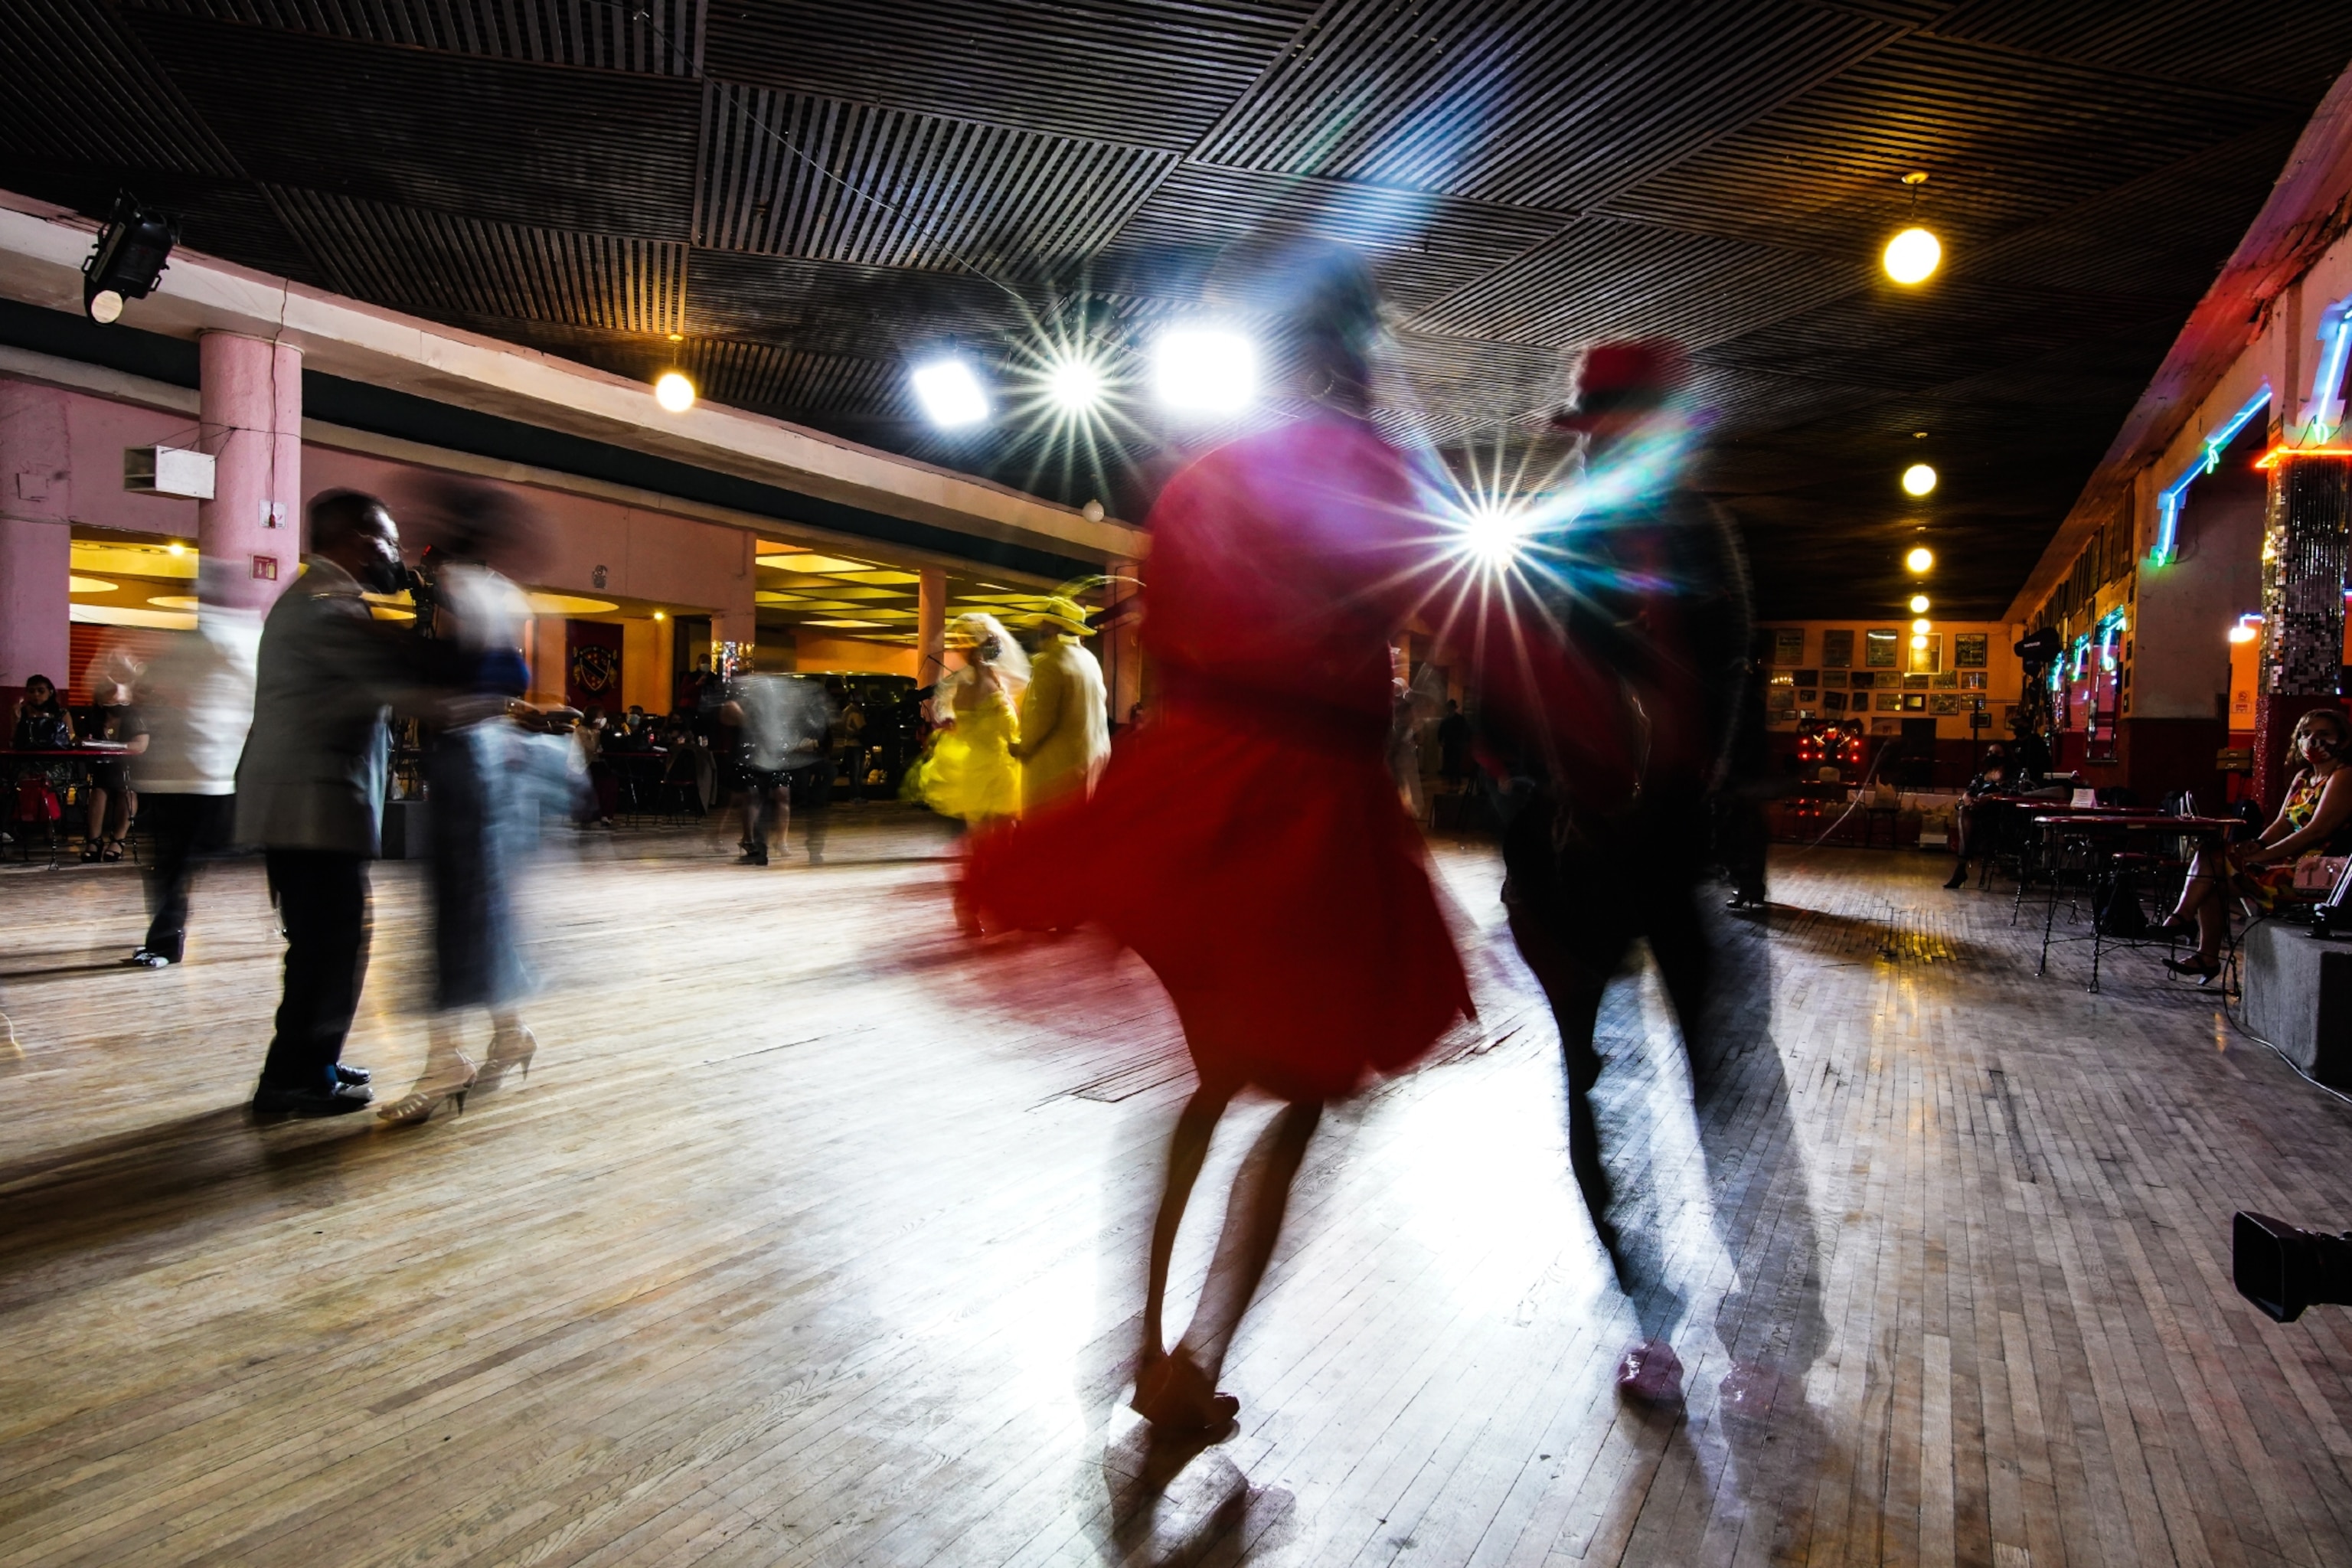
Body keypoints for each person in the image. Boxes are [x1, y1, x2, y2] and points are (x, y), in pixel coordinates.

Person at [968, 245, 1473, 1437]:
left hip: (1202, 791)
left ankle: (1146, 1340)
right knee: (1307, 1094)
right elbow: (1450, 620)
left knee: (1205, 1085)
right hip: (1316, 810)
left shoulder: (1204, 481)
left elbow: (1175, 645)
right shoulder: (1376, 474)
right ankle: (1195, 1356)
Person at [1478, 338, 1756, 1406]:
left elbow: (1723, 686)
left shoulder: (1684, 537)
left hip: (1652, 849)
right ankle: (1653, 1316)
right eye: (1594, 434)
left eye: (1614, 430)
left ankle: (1724, 1308)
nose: (1600, 450)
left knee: (1706, 1081)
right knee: (1611, 1087)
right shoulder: (1564, 543)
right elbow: (1500, 708)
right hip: (1588, 856)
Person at [235, 489, 453, 1117]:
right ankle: (296, 1078)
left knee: (324, 943)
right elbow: (404, 687)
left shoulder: (318, 599)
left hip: (309, 804)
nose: (397, 555)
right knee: (328, 945)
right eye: (390, 541)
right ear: (360, 540)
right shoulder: (326, 609)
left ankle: (310, 1061)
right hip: (312, 805)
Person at [381, 485, 544, 1125]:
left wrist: (396, 666)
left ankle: (446, 1057)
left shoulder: (461, 592)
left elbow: (461, 690)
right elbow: (507, 686)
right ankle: (507, 1032)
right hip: (486, 764)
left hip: (468, 766)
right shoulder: (497, 593)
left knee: (456, 914)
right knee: (478, 908)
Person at [2155, 707, 2352, 981]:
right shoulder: (2303, 777)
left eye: (2323, 734)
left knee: (2212, 871)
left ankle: (2194, 938)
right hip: (2287, 859)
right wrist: (2258, 844)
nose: (2312, 740)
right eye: (2306, 734)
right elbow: (2283, 823)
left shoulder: (2344, 776)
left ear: (2343, 740)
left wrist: (2265, 855)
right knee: (2210, 859)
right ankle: (2193, 934)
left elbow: (2316, 832)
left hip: (2317, 868)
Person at [125, 583, 260, 966]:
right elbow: (148, 684)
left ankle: (166, 943)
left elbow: (249, 699)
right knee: (171, 863)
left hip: (205, 777)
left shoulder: (234, 641)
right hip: (183, 775)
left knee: (175, 862)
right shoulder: (203, 641)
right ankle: (163, 940)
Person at [906, 613, 1026, 826]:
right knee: (1001, 825)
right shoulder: (992, 687)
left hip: (970, 765)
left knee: (977, 825)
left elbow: (964, 725)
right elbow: (1008, 728)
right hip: (996, 767)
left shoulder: (962, 686)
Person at [1009, 592, 1110, 814]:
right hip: (1087, 764)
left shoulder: (1050, 663)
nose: (1040, 628)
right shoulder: (1090, 660)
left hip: (1054, 771)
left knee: (1045, 830)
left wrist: (1020, 747)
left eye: (1044, 623)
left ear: (1054, 628)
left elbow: (1040, 718)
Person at [723, 667, 834, 865]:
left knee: (778, 797)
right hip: (764, 756)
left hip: (782, 756)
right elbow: (733, 718)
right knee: (757, 799)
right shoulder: (754, 700)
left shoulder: (783, 699)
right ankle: (757, 846)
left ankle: (776, 844)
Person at [77, 654, 147, 862]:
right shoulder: (93, 718)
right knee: (99, 787)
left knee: (126, 789)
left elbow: (140, 746)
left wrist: (112, 746)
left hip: (132, 768)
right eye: (110, 693)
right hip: (103, 767)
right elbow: (80, 740)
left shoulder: (135, 718)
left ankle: (118, 839)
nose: (116, 697)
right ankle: (94, 840)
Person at [1942, 743, 2012, 890]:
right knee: (1964, 810)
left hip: (1997, 816)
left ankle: (1961, 866)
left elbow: (2012, 792)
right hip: (1976, 813)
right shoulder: (1983, 774)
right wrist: (1969, 800)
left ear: (2005, 755)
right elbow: (1968, 791)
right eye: (1990, 752)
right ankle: (1961, 867)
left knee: (1967, 818)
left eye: (1997, 753)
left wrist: (1989, 798)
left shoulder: (2011, 773)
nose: (1993, 756)